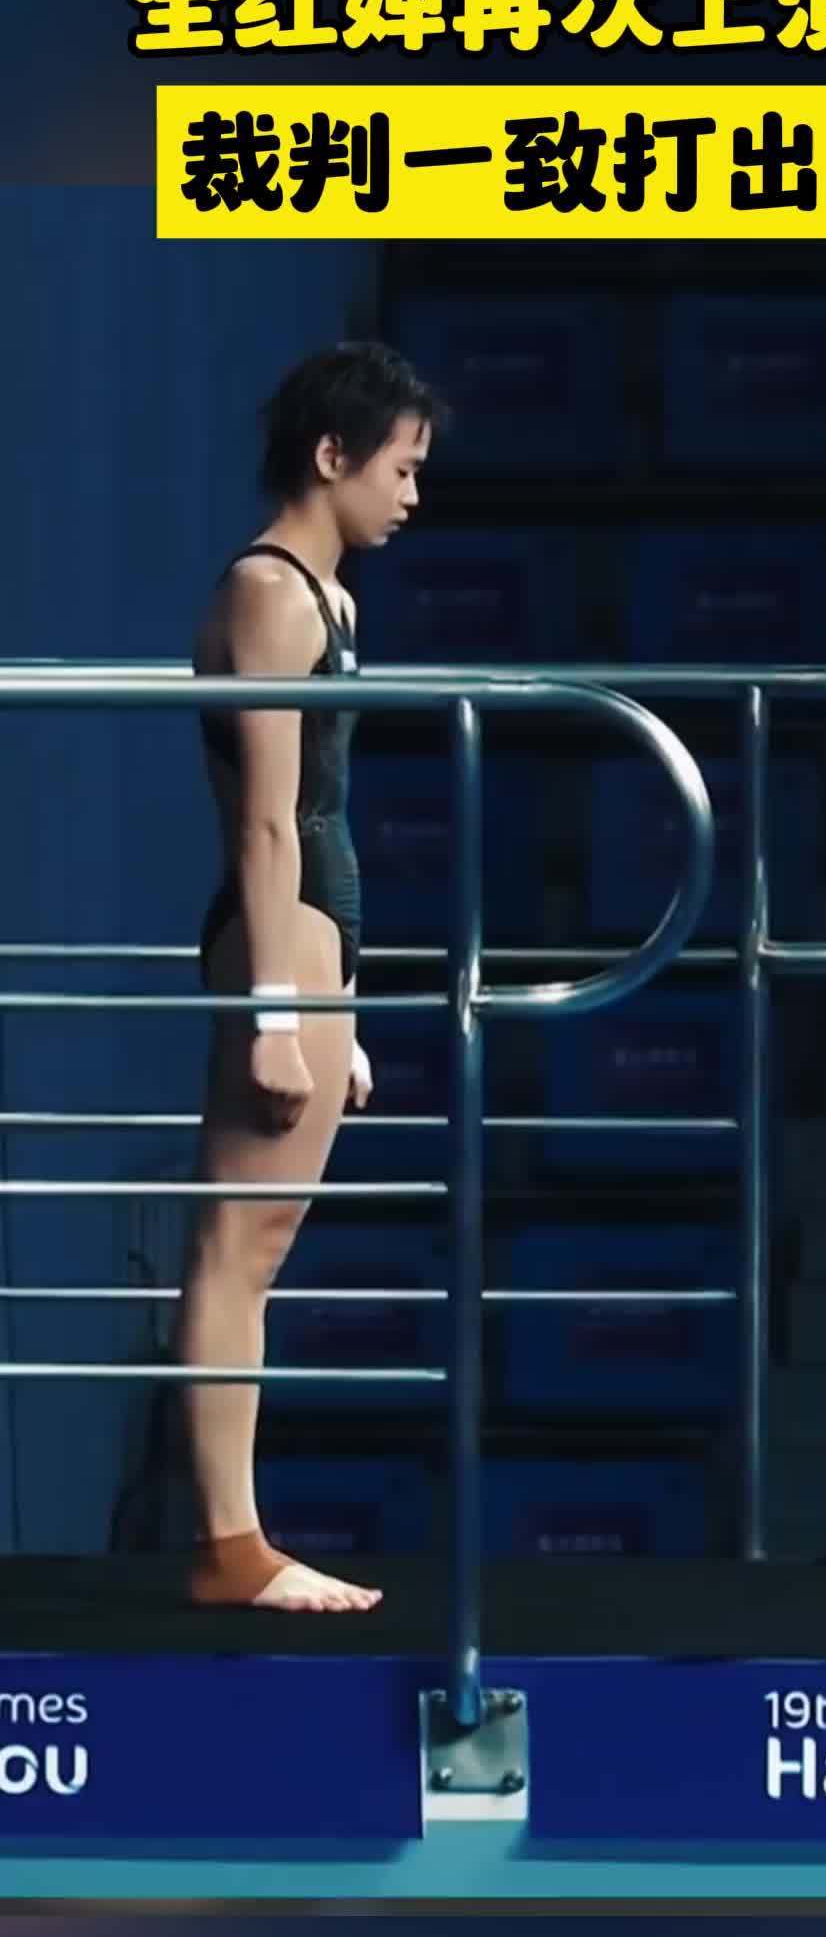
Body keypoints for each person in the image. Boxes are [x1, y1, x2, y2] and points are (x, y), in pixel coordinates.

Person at [175, 342, 438, 1611]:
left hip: (317, 935)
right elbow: (269, 822)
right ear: (332, 456)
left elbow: (322, 816)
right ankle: (232, 1548)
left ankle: (240, 1538)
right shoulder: (269, 593)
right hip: (279, 932)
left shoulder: (335, 601)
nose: (413, 494)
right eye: (402, 467)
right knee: (237, 1243)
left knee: (263, 1245)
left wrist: (341, 1016)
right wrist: (277, 1012)